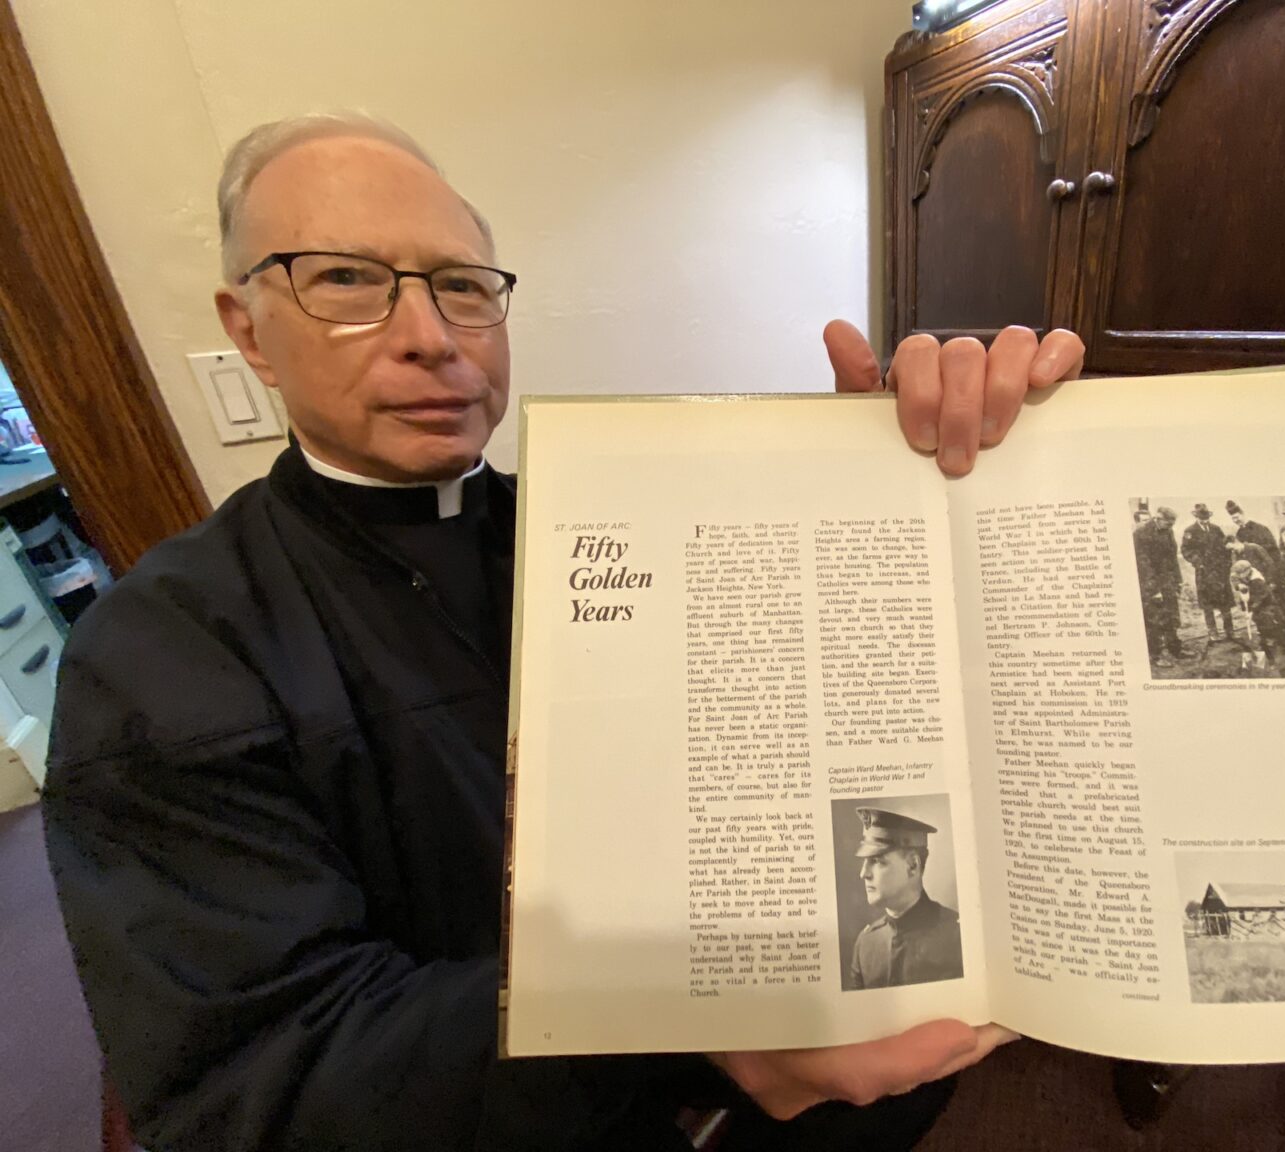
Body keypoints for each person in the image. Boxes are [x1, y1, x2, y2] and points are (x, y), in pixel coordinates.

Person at [39, 113, 1086, 1151]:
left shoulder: (626, 539)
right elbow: (266, 1080)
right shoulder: (163, 654)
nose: (430, 335)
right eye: (347, 279)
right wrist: (674, 1025)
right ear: (248, 329)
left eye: (460, 284)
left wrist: (885, 501)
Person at [847, 808, 963, 991]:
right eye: (864, 862)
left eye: (877, 861)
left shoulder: (957, 937)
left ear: (912, 865)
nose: (864, 874)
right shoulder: (866, 943)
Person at [1133, 505, 1184, 666]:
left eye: (1172, 525)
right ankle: (1156, 655)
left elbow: (1172, 558)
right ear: (1158, 519)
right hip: (1151, 583)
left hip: (1167, 580)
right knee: (1154, 619)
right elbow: (1143, 564)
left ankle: (1175, 649)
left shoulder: (1168, 531)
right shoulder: (1141, 533)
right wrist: (1153, 589)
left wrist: (1178, 580)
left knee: (1172, 615)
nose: (1170, 527)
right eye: (1168, 524)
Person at [1180, 503, 1235, 642]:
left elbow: (1224, 547)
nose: (1204, 520)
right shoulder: (1190, 531)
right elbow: (1186, 550)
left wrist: (1227, 563)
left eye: (1206, 517)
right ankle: (1213, 632)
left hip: (1219, 571)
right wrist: (1198, 562)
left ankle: (1230, 631)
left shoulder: (1216, 529)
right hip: (1204, 572)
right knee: (1207, 604)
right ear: (1197, 517)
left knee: (1225, 602)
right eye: (1201, 517)